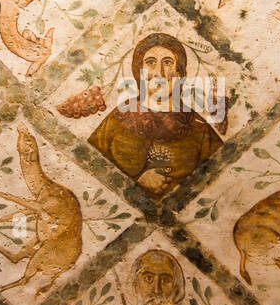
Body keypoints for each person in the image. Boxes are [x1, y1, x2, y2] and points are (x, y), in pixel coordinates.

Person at [88, 32, 221, 196]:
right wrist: (135, 181)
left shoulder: (200, 129)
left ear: (180, 72)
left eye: (168, 63)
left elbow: (220, 180)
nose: (159, 73)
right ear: (138, 72)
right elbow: (88, 168)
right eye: (150, 63)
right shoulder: (118, 118)